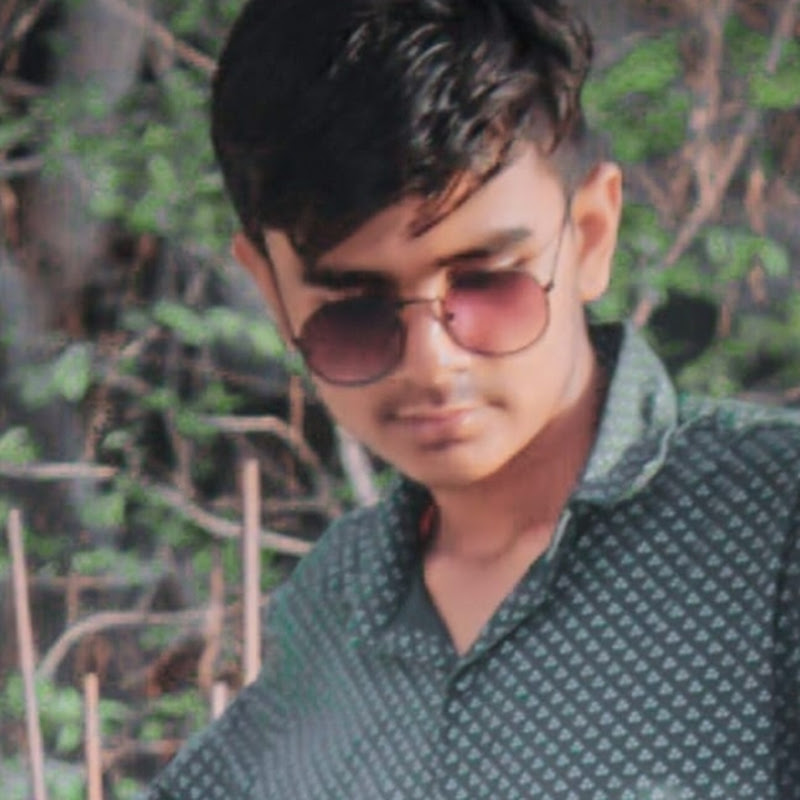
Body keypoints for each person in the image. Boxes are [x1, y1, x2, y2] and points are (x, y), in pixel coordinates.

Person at [147, 0, 800, 797]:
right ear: (275, 295)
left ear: (591, 235)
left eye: (487, 283)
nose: (432, 362)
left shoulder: (772, 532)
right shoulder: (333, 604)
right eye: (355, 310)